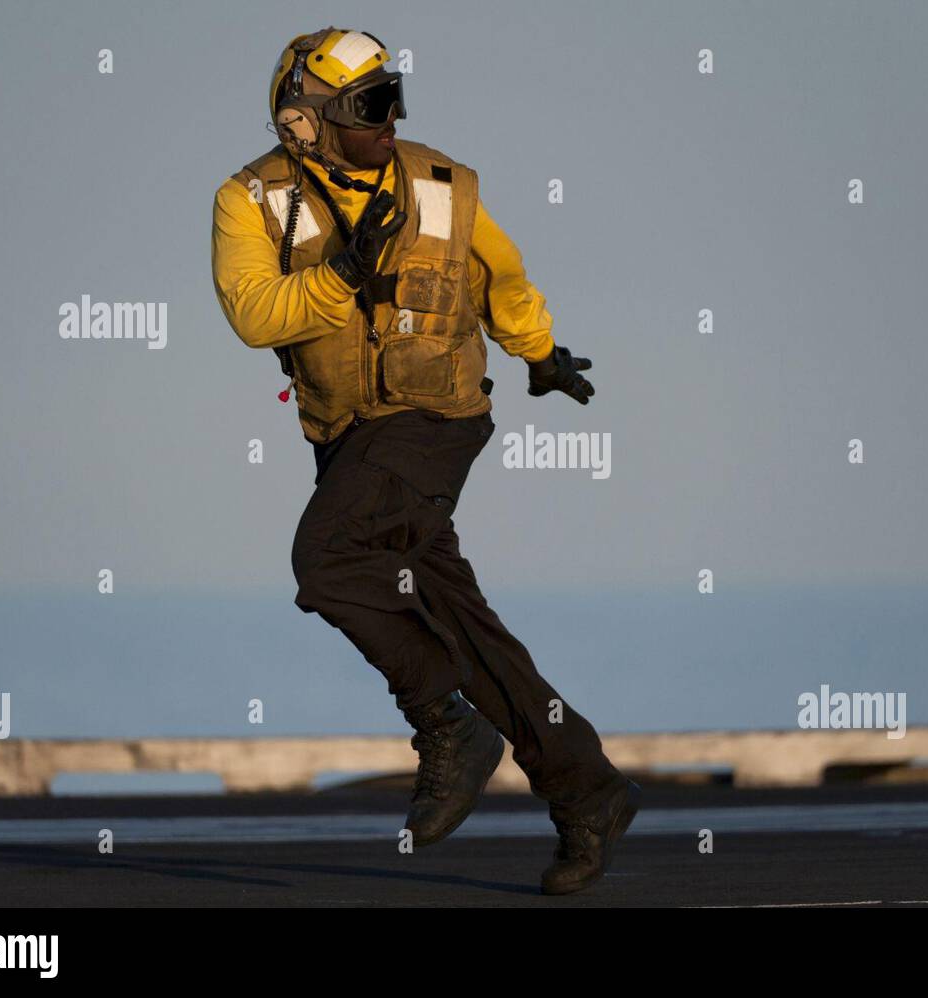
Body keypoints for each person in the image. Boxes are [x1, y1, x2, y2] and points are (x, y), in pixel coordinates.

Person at [211, 26, 639, 895]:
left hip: (435, 417)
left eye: (395, 96)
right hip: (348, 438)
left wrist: (540, 353)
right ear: (306, 123)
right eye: (371, 106)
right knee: (461, 625)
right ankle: (586, 790)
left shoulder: (439, 185)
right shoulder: (250, 200)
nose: (392, 120)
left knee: (326, 562)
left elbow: (500, 273)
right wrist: (339, 277)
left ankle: (446, 725)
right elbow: (254, 313)